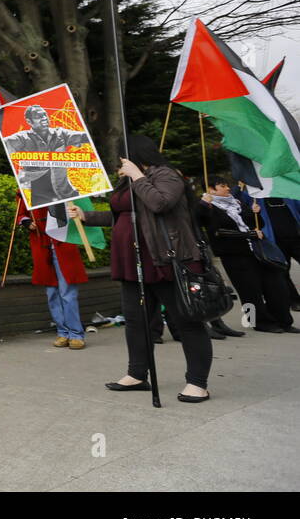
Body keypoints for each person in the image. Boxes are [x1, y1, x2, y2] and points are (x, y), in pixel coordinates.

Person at [68, 135, 212, 403]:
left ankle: (197, 382)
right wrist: (86, 216)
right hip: (132, 263)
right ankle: (137, 374)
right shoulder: (128, 180)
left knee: (186, 321)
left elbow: (160, 204)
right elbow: (121, 215)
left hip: (166, 260)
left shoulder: (167, 175)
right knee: (136, 321)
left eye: (123, 158)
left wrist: (137, 176)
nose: (120, 163)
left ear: (135, 155)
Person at [194, 179, 297, 334]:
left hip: (256, 250)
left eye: (226, 185)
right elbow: (200, 220)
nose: (228, 188)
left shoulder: (238, 203)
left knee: (276, 285)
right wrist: (203, 204)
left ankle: (283, 320)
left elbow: (257, 225)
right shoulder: (208, 206)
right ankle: (257, 321)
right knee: (249, 290)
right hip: (234, 254)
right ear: (211, 189)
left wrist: (256, 213)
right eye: (223, 185)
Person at [21, 204, 88, 349]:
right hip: (42, 244)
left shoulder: (61, 186)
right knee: (52, 292)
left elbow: (78, 207)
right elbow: (21, 214)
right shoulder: (25, 190)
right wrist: (26, 221)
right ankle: (62, 332)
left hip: (64, 242)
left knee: (67, 292)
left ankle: (76, 334)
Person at [4, 105, 90, 206]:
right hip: (41, 199)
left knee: (82, 217)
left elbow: (83, 137)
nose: (44, 118)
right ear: (29, 121)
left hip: (68, 194)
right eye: (38, 116)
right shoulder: (22, 138)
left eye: (45, 115)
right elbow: (5, 143)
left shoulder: (61, 133)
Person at [252, 193, 300, 309]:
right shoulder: (256, 197)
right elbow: (237, 196)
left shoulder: (287, 194)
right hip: (275, 241)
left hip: (296, 238)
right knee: (283, 272)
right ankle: (295, 301)